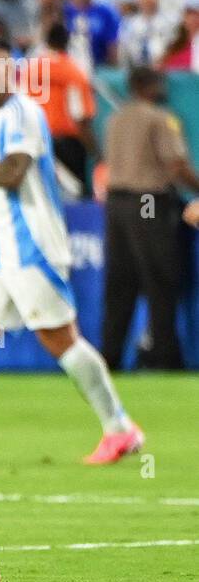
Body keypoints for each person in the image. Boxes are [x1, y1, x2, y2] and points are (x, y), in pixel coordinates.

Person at [0, 36, 143, 463]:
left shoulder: (20, 113)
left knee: (61, 340)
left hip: (32, 251)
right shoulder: (4, 118)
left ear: (13, 72)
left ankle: (120, 427)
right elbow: (8, 188)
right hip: (2, 253)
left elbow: (11, 174)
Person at [102, 67, 199, 370]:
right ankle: (164, 356)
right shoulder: (159, 118)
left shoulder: (114, 119)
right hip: (147, 202)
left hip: (116, 204)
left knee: (120, 283)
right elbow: (177, 164)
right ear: (148, 86)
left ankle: (110, 356)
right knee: (159, 278)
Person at [27, 23, 97, 194]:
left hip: (35, 141)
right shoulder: (72, 71)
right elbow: (79, 115)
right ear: (67, 43)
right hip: (66, 145)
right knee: (73, 195)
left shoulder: (30, 69)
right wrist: (94, 150)